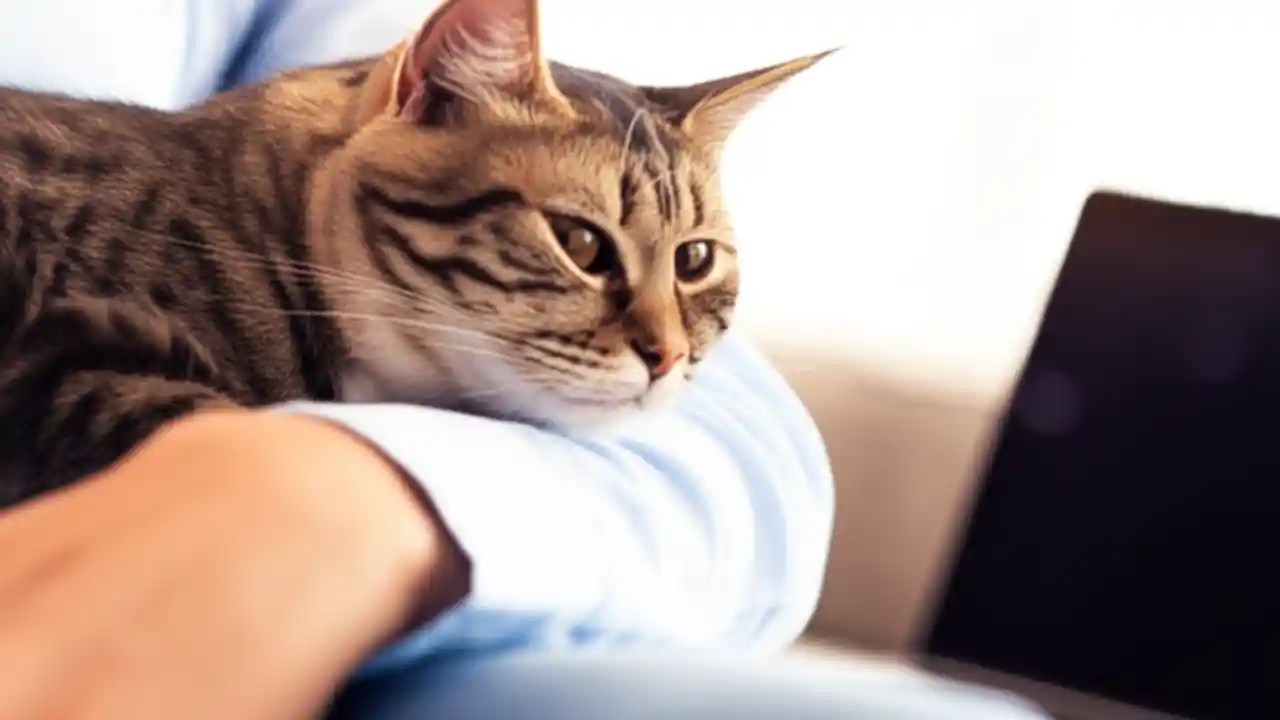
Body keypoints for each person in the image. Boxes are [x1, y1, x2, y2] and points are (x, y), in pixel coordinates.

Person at [0, 2, 1051, 718]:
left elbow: (749, 458)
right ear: (430, 99)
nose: (660, 344)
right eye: (585, 247)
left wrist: (326, 495)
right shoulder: (163, 224)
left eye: (693, 267)